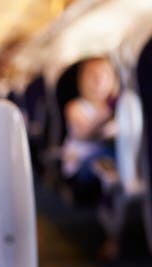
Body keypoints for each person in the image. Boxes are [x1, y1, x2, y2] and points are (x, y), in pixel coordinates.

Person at [62, 57, 119, 204]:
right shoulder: (75, 107)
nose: (98, 80)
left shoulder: (114, 110)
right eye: (92, 75)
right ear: (81, 81)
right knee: (98, 158)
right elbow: (85, 132)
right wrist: (108, 110)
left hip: (107, 153)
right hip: (81, 162)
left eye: (104, 75)